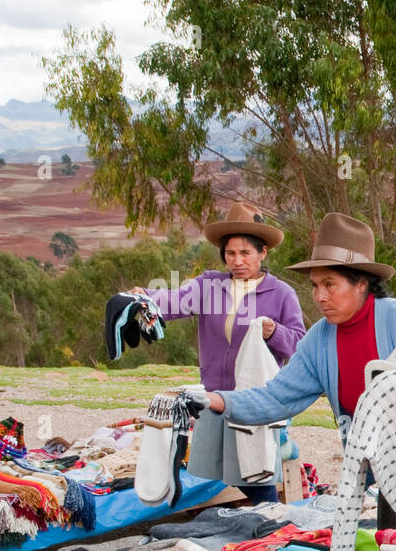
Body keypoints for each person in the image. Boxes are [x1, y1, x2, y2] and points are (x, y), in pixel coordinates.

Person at [202, 212, 396, 527]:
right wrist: (215, 401)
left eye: (329, 284)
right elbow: (275, 399)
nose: (319, 296)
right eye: (314, 286)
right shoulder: (319, 343)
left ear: (361, 283)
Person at [131, 202, 306, 503]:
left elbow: (298, 344)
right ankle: (258, 517)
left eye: (245, 253)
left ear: (263, 253)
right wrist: (146, 297)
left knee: (254, 469)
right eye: (230, 253)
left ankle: (272, 518)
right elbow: (174, 302)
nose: (237, 261)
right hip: (213, 397)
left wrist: (273, 332)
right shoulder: (209, 285)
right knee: (220, 468)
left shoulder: (280, 294)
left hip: (255, 399)